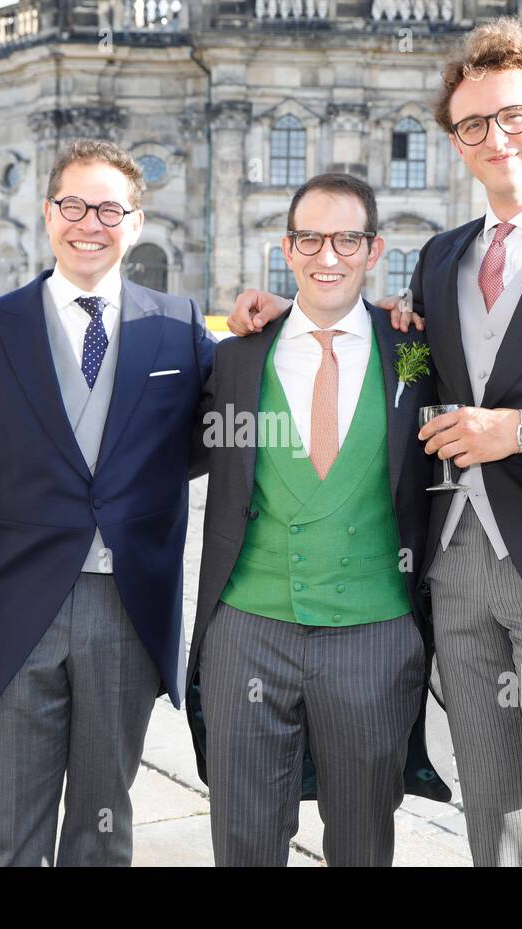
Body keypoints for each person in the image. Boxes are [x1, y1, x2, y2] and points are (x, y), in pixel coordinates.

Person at [226, 18, 522, 865]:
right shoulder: (443, 259)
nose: (495, 137)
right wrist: (289, 315)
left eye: (513, 115)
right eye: (473, 125)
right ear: (457, 141)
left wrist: (517, 432)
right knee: (494, 824)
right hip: (453, 574)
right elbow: (411, 360)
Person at [0, 139, 214, 867]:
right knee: (12, 835)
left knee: (103, 834)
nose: (90, 223)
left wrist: (273, 321)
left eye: (110, 209)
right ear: (48, 215)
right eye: (74, 205)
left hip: (128, 613)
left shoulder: (178, 325)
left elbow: (211, 434)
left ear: (136, 223)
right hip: (16, 614)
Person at [188, 173, 449, 867]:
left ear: (375, 250)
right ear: (287, 247)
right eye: (310, 238)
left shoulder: (415, 353)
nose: (326, 255)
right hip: (247, 629)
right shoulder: (240, 355)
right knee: (243, 839)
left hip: (375, 634)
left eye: (346, 239)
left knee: (363, 841)